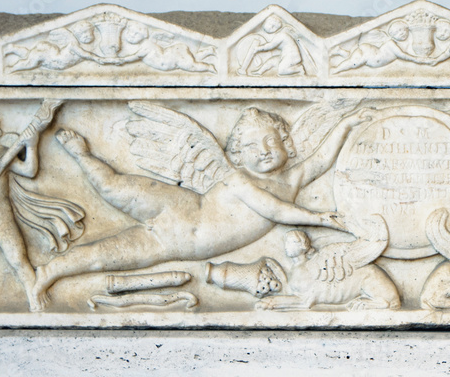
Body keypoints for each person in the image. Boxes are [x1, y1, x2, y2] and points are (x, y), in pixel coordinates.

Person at [32, 106, 374, 302]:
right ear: (239, 154)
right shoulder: (240, 179)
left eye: (271, 141)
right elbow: (275, 210)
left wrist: (346, 124)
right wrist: (322, 218)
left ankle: (49, 272)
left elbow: (320, 162)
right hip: (181, 207)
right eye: (253, 146)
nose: (264, 150)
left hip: (179, 241)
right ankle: (81, 155)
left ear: (286, 143)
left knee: (105, 256)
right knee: (113, 186)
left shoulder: (291, 180)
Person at [0, 102, 83, 311]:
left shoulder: (2, 155)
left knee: (19, 261)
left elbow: (29, 171)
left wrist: (32, 143)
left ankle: (33, 294)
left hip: (3, 221)